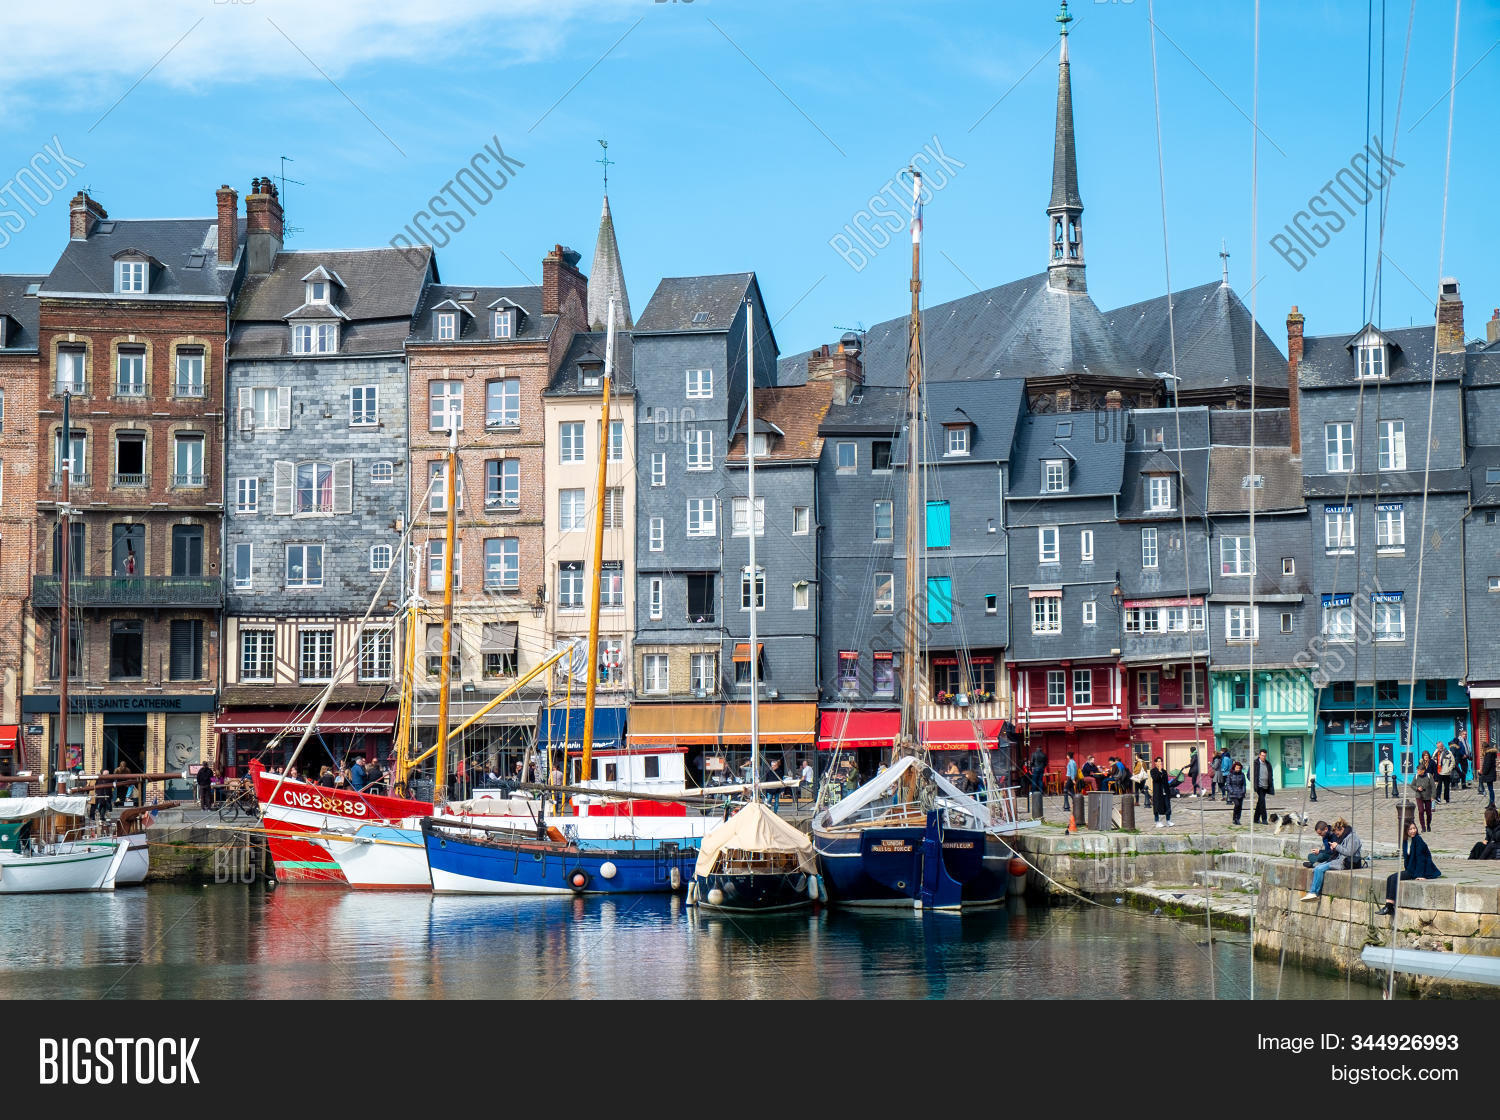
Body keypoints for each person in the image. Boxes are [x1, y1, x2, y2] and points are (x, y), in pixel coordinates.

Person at [1378, 821, 1440, 915]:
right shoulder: (1405, 841)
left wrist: (1420, 875)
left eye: (1414, 828)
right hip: (1411, 868)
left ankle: (1389, 907)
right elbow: (1407, 858)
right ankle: (1388, 905)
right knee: (1390, 878)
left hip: (1419, 870)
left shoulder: (1418, 840)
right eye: (1410, 829)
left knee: (1395, 878)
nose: (1413, 831)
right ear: (1406, 831)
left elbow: (1421, 858)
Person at [1301, 818, 1362, 901]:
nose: (1337, 836)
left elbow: (1349, 852)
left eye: (1337, 834)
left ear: (1342, 829)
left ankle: (1314, 892)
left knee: (1319, 869)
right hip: (1339, 860)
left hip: (1346, 862)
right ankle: (1313, 892)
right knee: (1317, 868)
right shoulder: (1345, 836)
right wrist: (1334, 848)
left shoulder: (1352, 837)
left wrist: (1336, 846)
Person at [1411, 759, 1436, 832]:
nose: (1418, 771)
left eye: (1419, 770)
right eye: (1417, 770)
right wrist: (1417, 788)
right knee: (1421, 811)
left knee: (1428, 812)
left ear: (1423, 770)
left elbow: (1433, 787)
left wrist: (1433, 796)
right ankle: (1423, 827)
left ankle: (1428, 825)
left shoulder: (1429, 776)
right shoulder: (1416, 776)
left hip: (1428, 796)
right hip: (1419, 796)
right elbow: (1412, 785)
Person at [1251, 748, 1275, 825]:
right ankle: (1264, 819)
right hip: (1259, 786)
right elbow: (1249, 774)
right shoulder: (1255, 763)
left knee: (1260, 802)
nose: (1263, 757)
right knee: (1262, 802)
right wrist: (1254, 782)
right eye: (1262, 755)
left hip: (1266, 786)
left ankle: (1255, 819)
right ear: (1259, 755)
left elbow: (1270, 774)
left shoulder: (1268, 764)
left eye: (1265, 756)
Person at [1149, 756, 1173, 828]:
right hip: (1157, 792)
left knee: (1167, 805)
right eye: (1158, 761)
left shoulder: (1164, 771)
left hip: (1165, 791)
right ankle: (1157, 822)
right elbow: (1156, 779)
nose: (1160, 763)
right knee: (1157, 806)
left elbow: (1166, 782)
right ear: (1155, 763)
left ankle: (1168, 821)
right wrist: (1159, 771)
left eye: (1161, 761)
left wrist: (1169, 793)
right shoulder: (1153, 771)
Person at [1225, 760, 1247, 825]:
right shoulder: (1230, 774)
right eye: (1237, 767)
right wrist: (1231, 791)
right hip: (1233, 793)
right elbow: (1228, 784)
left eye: (1239, 768)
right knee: (1237, 804)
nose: (1238, 769)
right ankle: (1235, 818)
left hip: (1240, 792)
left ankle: (1238, 819)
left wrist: (1243, 791)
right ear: (1234, 767)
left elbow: (1244, 784)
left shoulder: (1242, 774)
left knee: (1240, 806)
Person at [1479, 739, 1498, 808]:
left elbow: (1487, 764)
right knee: (1490, 788)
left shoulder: (1488, 754)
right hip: (1490, 773)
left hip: (1489, 774)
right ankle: (1491, 803)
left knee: (1490, 789)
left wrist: (1483, 772)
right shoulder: (1490, 754)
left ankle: (1492, 803)